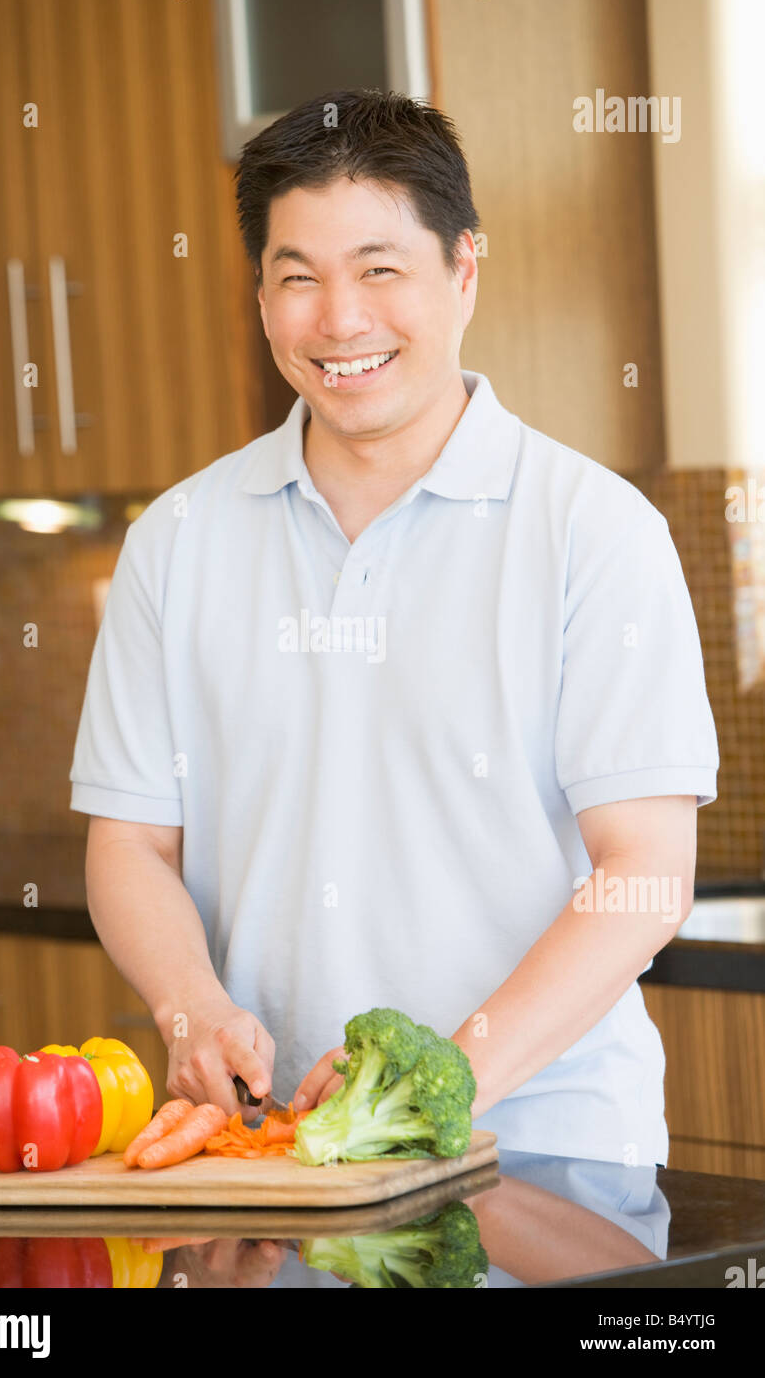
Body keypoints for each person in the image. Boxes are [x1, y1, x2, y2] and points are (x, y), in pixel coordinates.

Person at [69, 88, 719, 1167]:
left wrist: (444, 1080)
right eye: (295, 279)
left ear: (462, 269)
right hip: (270, 1153)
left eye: (378, 269)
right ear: (260, 296)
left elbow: (645, 869)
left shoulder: (593, 531)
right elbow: (130, 842)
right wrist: (188, 1008)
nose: (338, 321)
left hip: (548, 1155)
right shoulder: (176, 540)